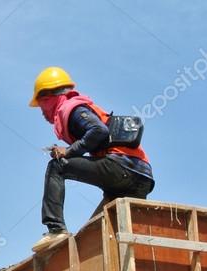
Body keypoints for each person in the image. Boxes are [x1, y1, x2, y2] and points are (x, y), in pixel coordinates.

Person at [29, 66, 155, 248]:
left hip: (123, 167)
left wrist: (69, 151)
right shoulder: (75, 108)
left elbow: (99, 131)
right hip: (139, 177)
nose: (41, 112)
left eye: (41, 104)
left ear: (49, 97)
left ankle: (55, 229)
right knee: (95, 235)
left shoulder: (71, 109)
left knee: (57, 166)